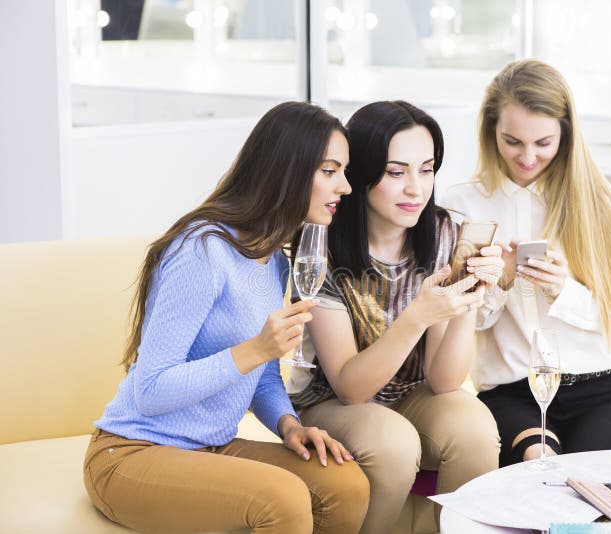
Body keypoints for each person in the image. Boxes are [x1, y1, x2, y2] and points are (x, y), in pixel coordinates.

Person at [83, 102, 369, 534]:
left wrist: (288, 424)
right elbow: (152, 391)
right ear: (286, 170)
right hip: (131, 452)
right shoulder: (203, 250)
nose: (345, 187)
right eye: (330, 171)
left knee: (345, 485)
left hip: (209, 447)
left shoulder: (274, 261)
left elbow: (263, 375)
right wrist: (255, 348)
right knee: (284, 499)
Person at [287, 100, 503, 532]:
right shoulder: (321, 247)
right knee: (393, 441)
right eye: (396, 172)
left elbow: (444, 382)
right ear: (362, 173)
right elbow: (350, 388)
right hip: (330, 402)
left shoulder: (443, 232)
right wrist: (417, 317)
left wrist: (469, 297)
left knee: (474, 426)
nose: (416, 189)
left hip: (411, 394)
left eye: (426, 170)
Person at [442, 59, 611, 467]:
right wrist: (500, 283)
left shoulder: (597, 203)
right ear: (490, 131)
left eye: (543, 143)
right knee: (537, 466)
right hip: (512, 390)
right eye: (512, 141)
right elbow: (460, 324)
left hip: (600, 388)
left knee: (583, 486)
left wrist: (562, 289)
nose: (528, 157)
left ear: (566, 135)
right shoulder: (462, 205)